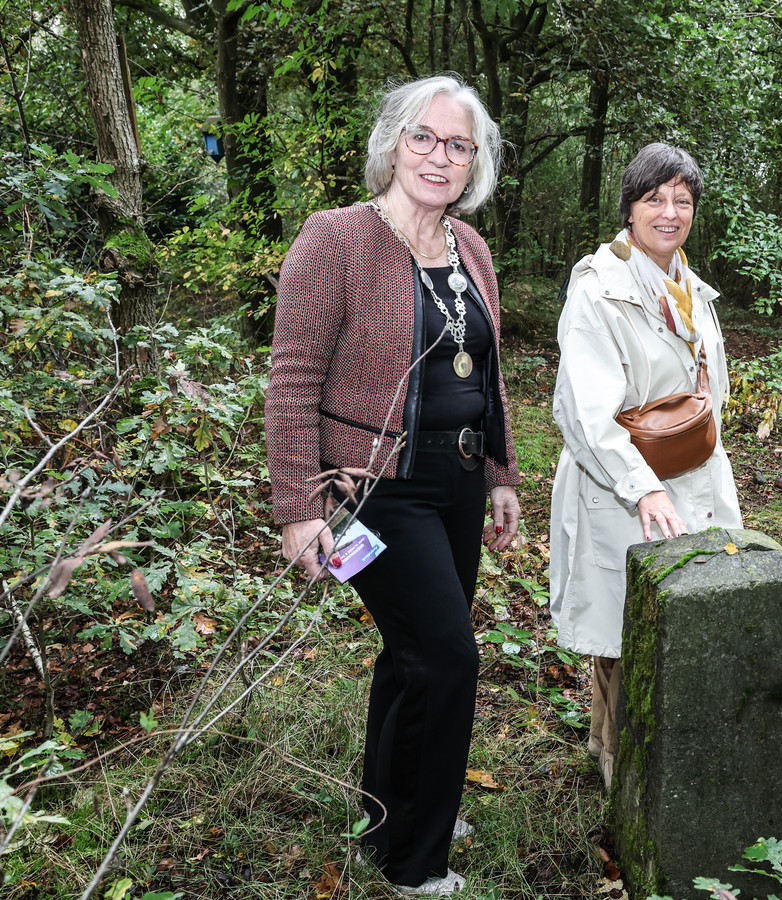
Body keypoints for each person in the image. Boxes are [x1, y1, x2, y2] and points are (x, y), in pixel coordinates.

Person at [266, 74, 521, 899]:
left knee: (411, 655)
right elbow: (291, 380)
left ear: (473, 162)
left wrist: (500, 474)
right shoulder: (334, 238)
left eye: (457, 144)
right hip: (365, 488)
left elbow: (486, 372)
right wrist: (298, 510)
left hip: (455, 484)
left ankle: (398, 806)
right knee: (446, 655)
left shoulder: (470, 248)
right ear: (392, 142)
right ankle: (417, 864)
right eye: (423, 137)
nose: (437, 156)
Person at [549, 143, 742, 789]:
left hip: (694, 475)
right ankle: (614, 768)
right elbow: (586, 411)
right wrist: (643, 489)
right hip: (623, 483)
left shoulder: (688, 286)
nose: (669, 212)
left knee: (679, 620)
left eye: (681, 200)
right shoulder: (597, 288)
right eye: (654, 199)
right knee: (621, 631)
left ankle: (660, 758)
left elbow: (706, 387)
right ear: (629, 208)